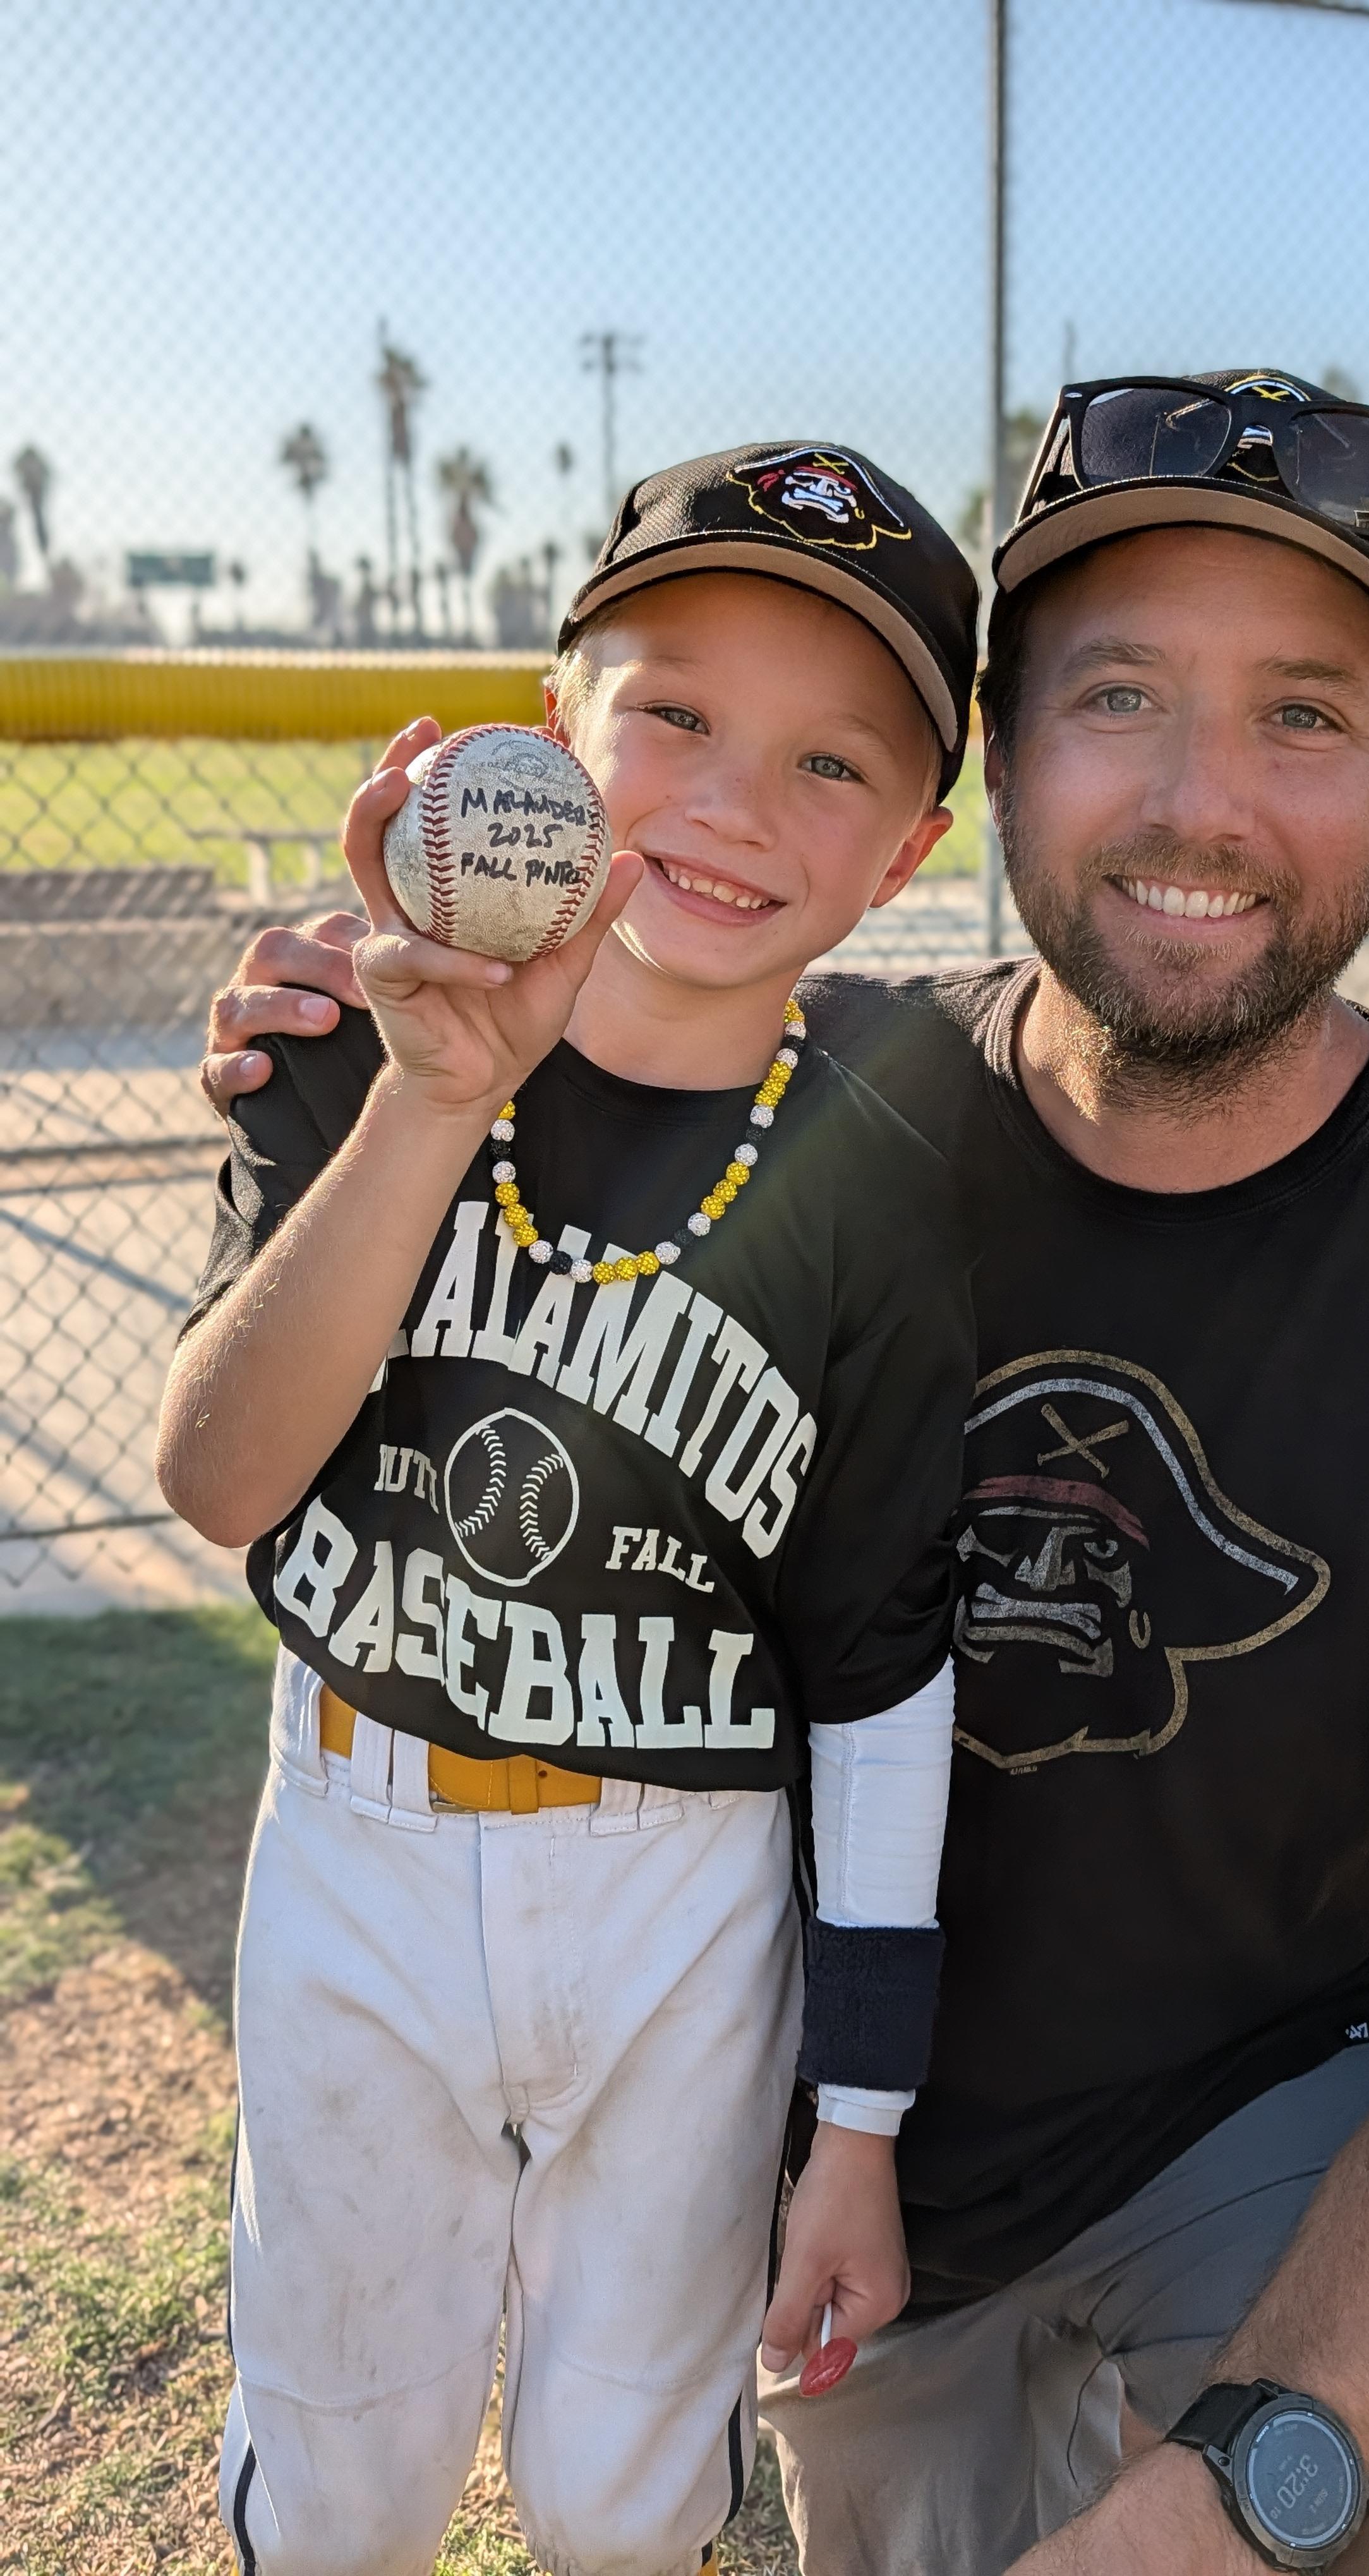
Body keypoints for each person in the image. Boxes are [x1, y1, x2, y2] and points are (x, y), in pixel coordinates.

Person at [202, 370, 1369, 2576]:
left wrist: (1246, 2487)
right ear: (1004, 763)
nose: (1199, 802)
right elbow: (578, 1035)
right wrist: (341, 1028)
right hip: (848, 2165)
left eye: (1306, 713)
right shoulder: (823, 1092)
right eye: (1118, 696)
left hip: (1264, 2133)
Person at [161, 443, 985, 2576]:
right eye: (676, 715)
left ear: (909, 852)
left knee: (629, 2482)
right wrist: (436, 1095)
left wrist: (863, 2130)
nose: (728, 803)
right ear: (556, 722)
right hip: (358, 1833)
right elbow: (219, 1477)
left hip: (686, 1890)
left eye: (830, 762)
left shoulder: (883, 1188)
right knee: (340, 2462)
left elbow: (883, 1683)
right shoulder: (366, 1036)